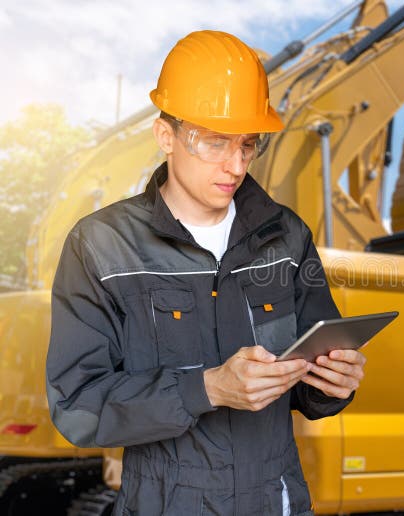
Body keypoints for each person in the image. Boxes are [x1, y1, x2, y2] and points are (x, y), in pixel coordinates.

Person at [46, 30, 366, 515]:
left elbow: (308, 379)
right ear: (166, 136)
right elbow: (77, 406)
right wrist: (207, 388)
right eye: (216, 143)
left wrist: (332, 385)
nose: (235, 165)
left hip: (276, 502)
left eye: (248, 145)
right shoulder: (103, 246)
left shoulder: (286, 237)